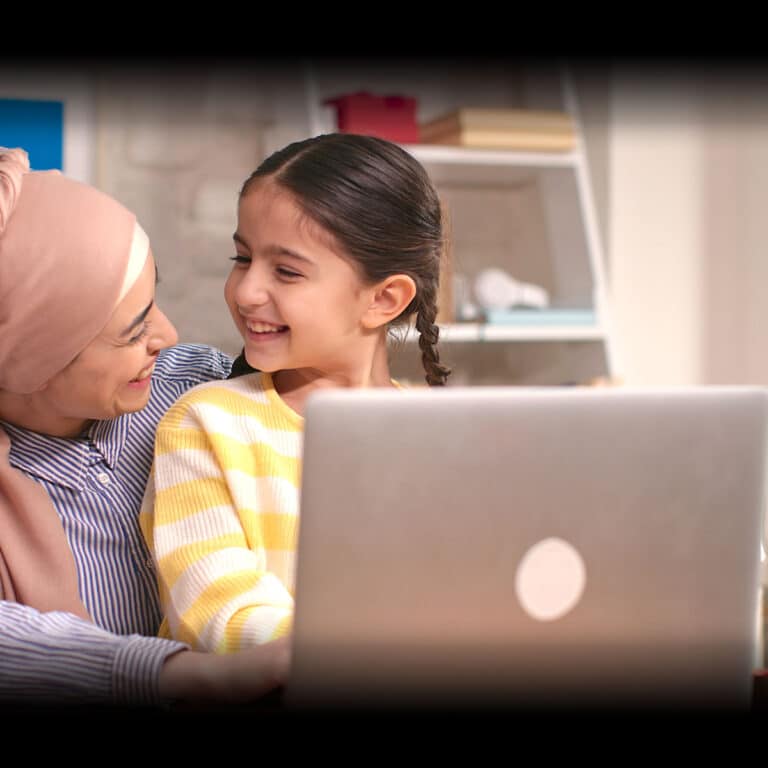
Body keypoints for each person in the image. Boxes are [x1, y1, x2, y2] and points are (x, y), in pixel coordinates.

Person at [0, 147, 289, 710]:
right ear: (30, 361)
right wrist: (185, 677)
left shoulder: (202, 387)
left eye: (155, 300)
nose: (170, 336)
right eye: (133, 333)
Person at [140, 132, 451, 655]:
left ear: (384, 299)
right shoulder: (207, 424)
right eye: (242, 258)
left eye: (285, 271)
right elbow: (220, 612)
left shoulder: (442, 437)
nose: (245, 291)